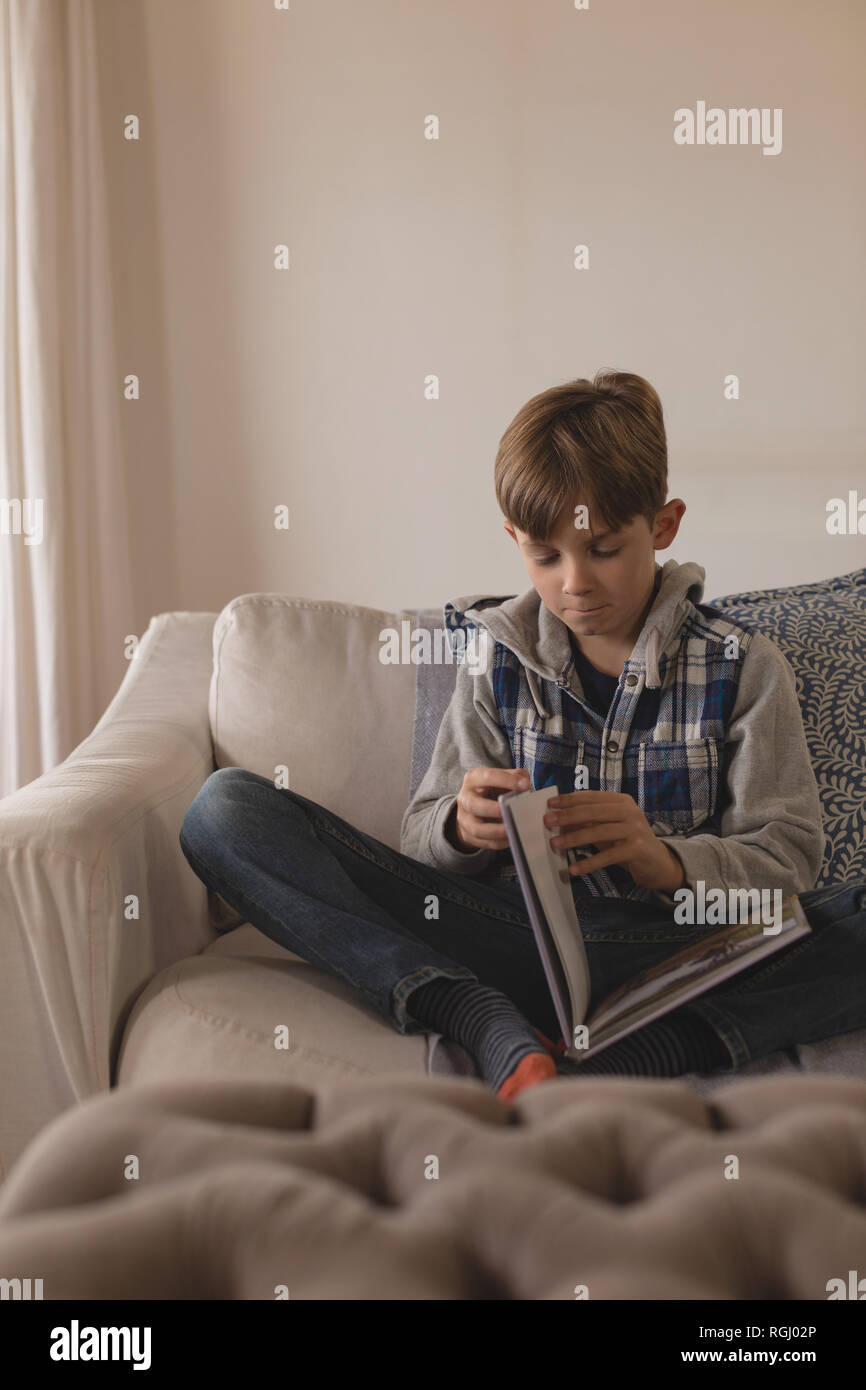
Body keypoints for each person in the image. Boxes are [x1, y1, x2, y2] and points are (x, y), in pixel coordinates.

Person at [179, 369, 866, 1101]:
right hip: (507, 943)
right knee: (224, 812)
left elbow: (789, 865)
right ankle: (474, 1014)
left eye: (603, 548)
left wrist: (667, 862)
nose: (575, 582)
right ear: (515, 540)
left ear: (662, 526)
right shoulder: (494, 659)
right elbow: (419, 836)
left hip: (681, 952)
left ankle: (631, 1057)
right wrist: (459, 826)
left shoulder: (744, 667)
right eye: (546, 555)